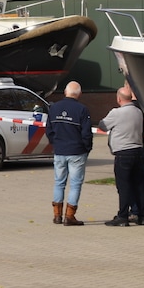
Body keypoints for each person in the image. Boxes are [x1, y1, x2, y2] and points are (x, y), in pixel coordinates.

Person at [99, 86, 144, 226]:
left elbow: (103, 125)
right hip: (138, 151)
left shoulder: (116, 113)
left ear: (119, 98)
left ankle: (123, 216)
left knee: (124, 186)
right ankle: (142, 215)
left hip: (123, 153)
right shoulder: (138, 112)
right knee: (139, 184)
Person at [47, 81, 93, 226]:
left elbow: (49, 130)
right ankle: (69, 216)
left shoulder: (54, 108)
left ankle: (57, 216)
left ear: (65, 92)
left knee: (59, 182)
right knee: (75, 184)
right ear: (79, 94)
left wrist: (56, 143)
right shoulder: (82, 109)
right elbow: (86, 133)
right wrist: (87, 148)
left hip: (59, 151)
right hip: (77, 152)